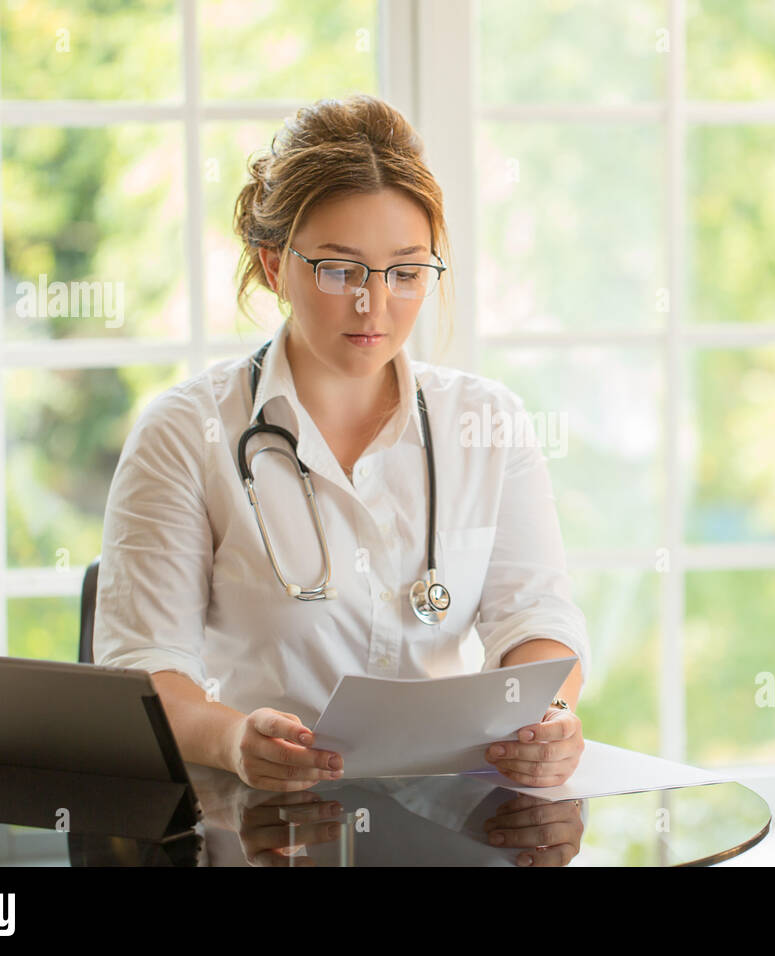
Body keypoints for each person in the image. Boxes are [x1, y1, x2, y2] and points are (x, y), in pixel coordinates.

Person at [93, 93, 590, 794]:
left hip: (446, 819)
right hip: (262, 824)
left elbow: (536, 620)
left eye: (407, 272)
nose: (375, 305)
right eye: (339, 269)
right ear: (273, 267)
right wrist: (234, 739)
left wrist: (551, 716)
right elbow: (145, 668)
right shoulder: (182, 435)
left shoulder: (488, 423)